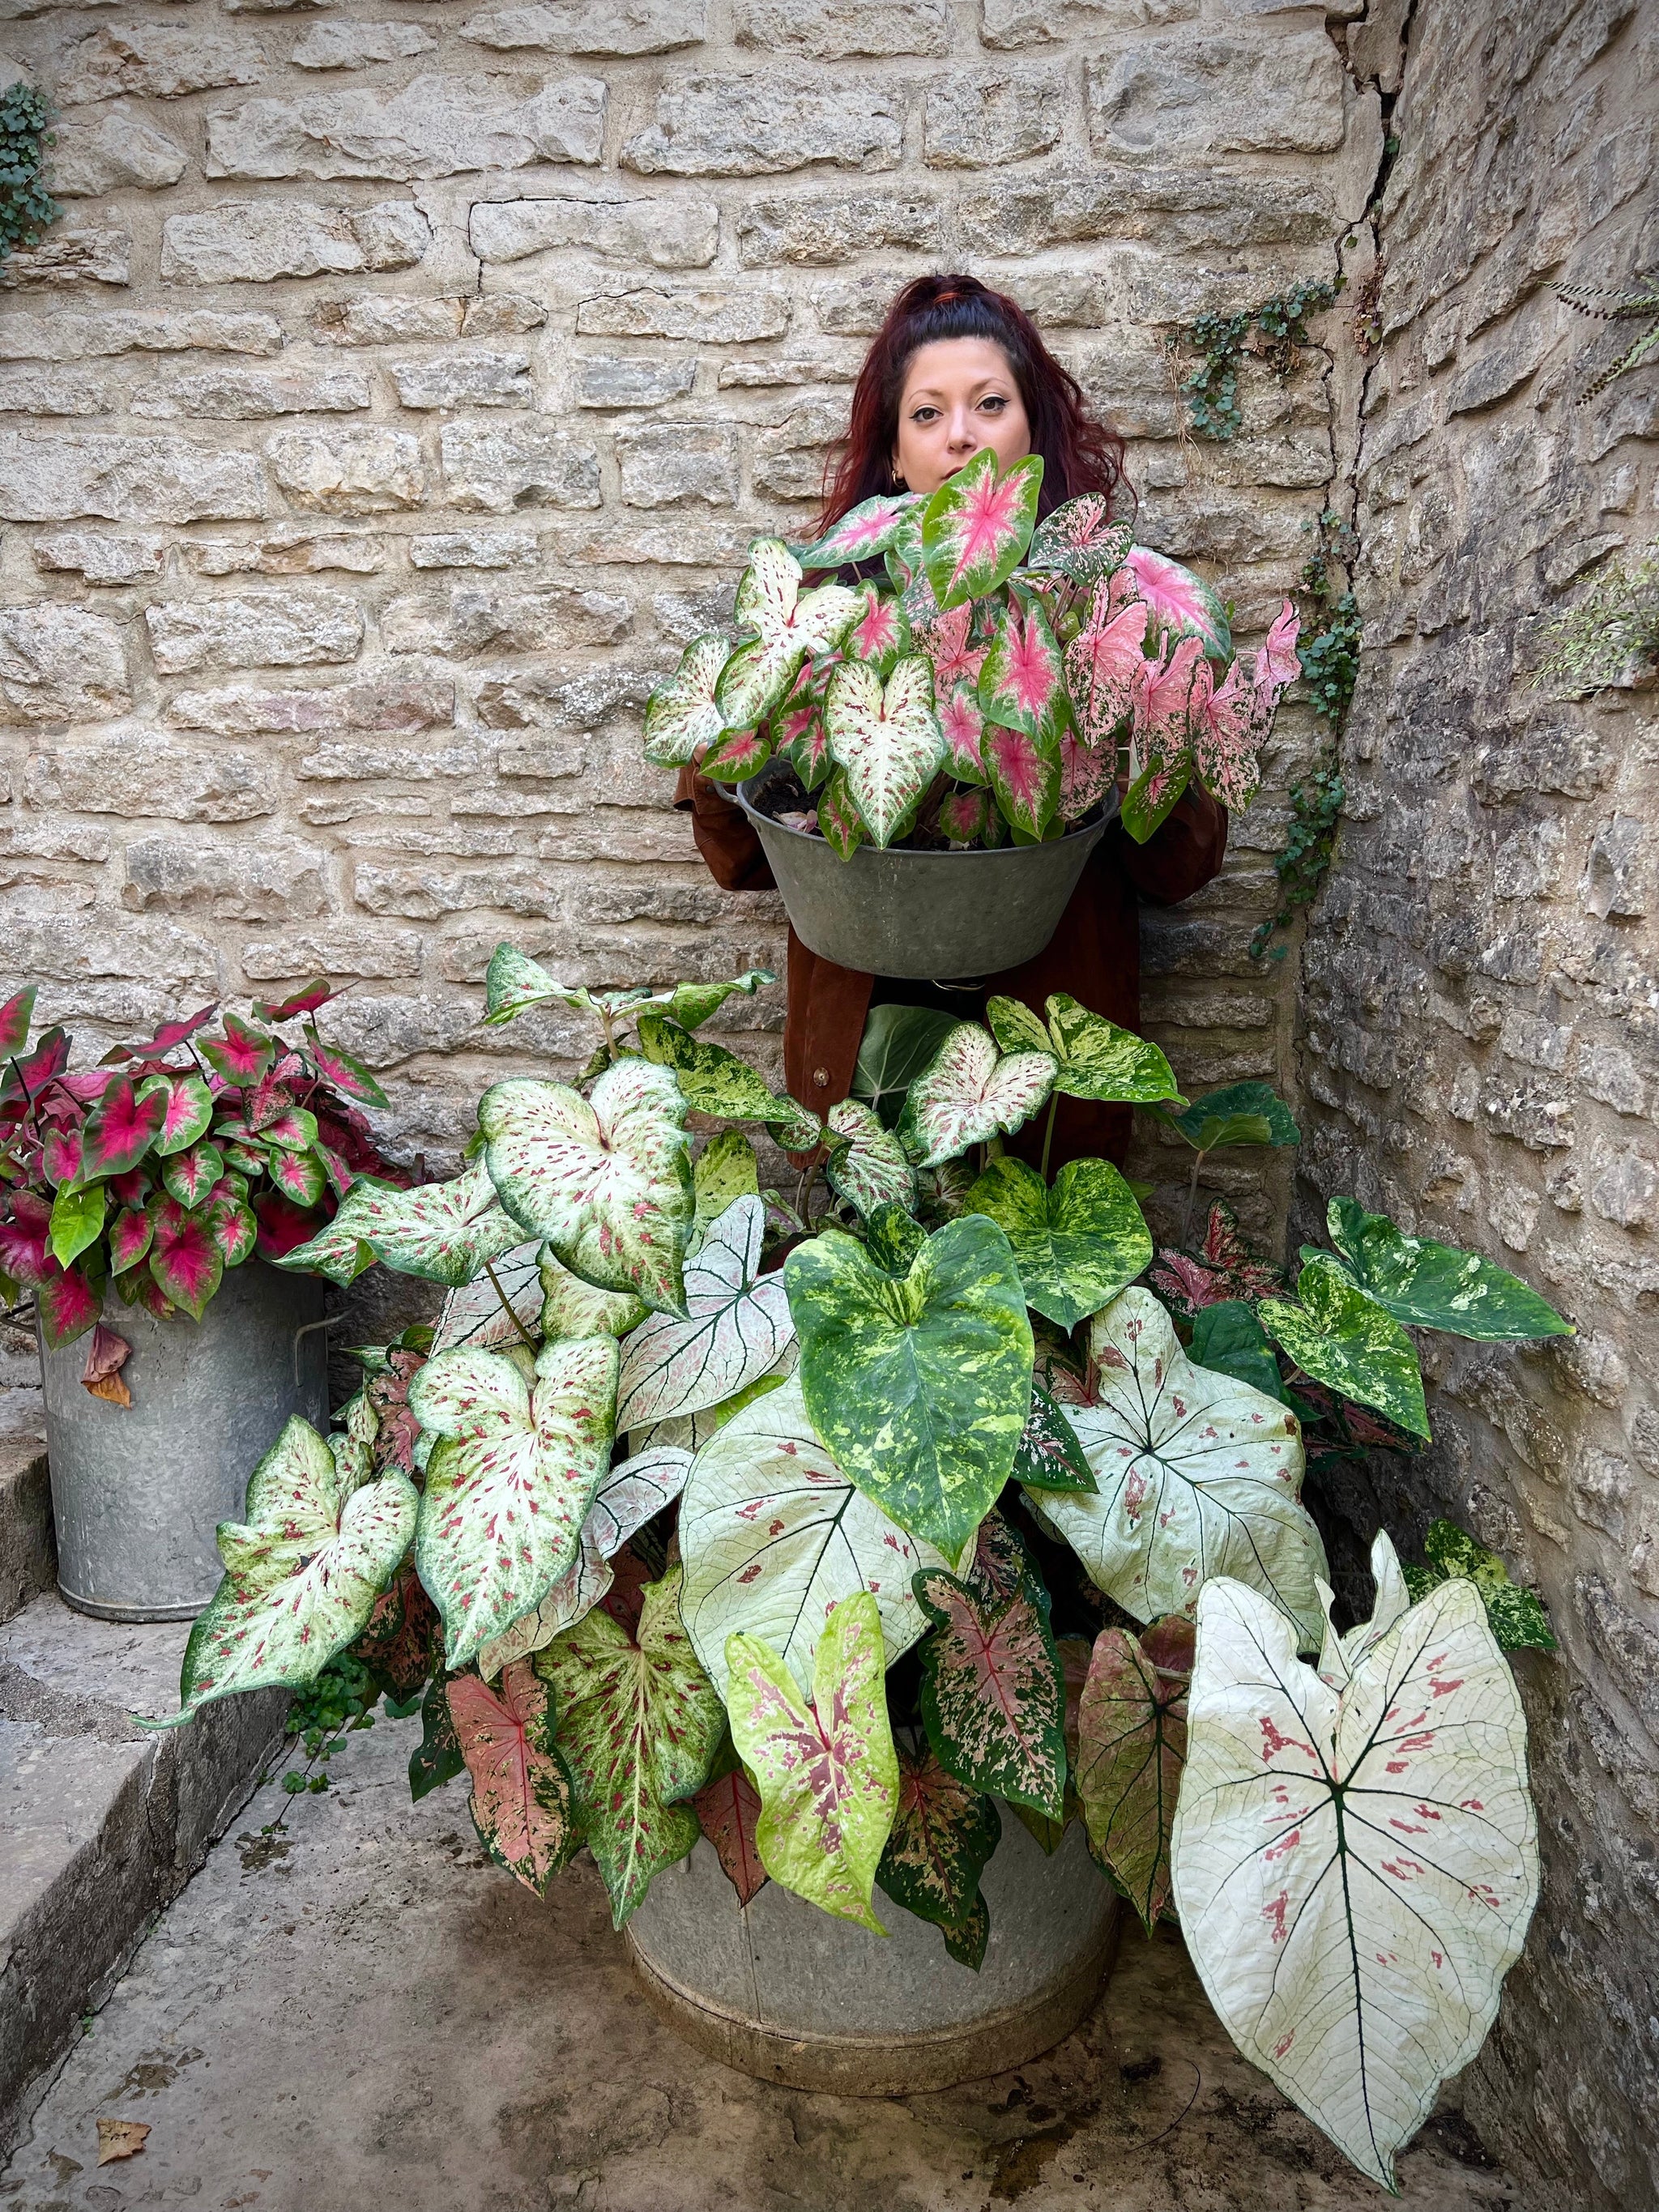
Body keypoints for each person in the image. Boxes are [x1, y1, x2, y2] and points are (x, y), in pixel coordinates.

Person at [675, 272, 1227, 1171]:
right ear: (894, 455)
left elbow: (1181, 870)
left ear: (1031, 434)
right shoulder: (837, 616)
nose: (959, 434)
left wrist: (1132, 714)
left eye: (988, 404)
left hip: (1043, 1068)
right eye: (926, 414)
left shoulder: (1101, 611)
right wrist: (740, 718)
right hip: (865, 1053)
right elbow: (740, 858)